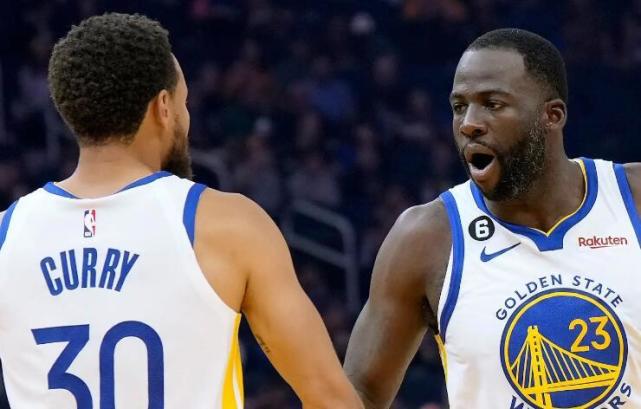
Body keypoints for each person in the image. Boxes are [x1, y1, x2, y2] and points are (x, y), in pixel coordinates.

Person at [0, 13, 363, 409]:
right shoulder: (229, 225)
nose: (185, 118)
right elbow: (331, 399)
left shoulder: (7, 234)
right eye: (183, 103)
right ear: (163, 107)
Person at [344, 28, 641, 408]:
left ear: (552, 116)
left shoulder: (632, 198)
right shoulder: (426, 238)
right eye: (459, 107)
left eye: (492, 104)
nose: (469, 123)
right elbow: (359, 392)